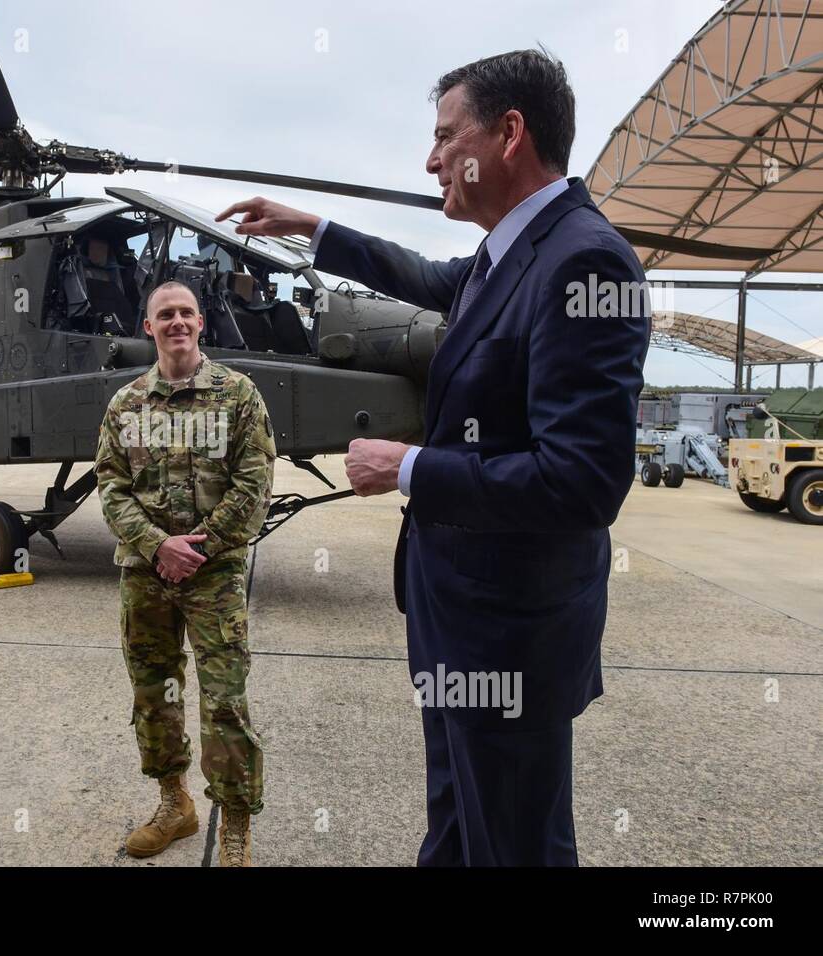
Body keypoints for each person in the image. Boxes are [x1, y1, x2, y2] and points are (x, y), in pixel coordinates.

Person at [217, 49, 649, 865]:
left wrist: (407, 468)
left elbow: (583, 482)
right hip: (460, 623)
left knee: (516, 844)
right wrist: (313, 228)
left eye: (447, 137)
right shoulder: (505, 256)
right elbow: (421, 273)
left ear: (509, 134)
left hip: (510, 643)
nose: (431, 158)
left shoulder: (585, 263)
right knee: (456, 832)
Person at [94, 280, 276, 866]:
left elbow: (255, 482)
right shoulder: (126, 404)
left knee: (225, 701)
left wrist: (198, 546)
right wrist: (155, 545)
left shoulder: (239, 395)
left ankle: (237, 828)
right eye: (164, 314)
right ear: (148, 328)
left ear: (202, 324)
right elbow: (110, 484)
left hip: (214, 576)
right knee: (154, 694)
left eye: (186, 313)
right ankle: (175, 803)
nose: (176, 322)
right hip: (146, 575)